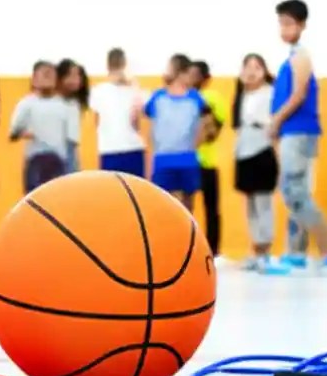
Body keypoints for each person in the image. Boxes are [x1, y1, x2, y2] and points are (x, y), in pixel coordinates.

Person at [269, 0, 327, 275]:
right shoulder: (292, 57)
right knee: (295, 194)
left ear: (302, 25)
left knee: (296, 194)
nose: (284, 29)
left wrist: (275, 121)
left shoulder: (301, 57)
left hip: (298, 133)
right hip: (293, 134)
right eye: (281, 23)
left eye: (289, 23)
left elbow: (298, 95)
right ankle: (295, 254)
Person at [232, 53, 285, 273]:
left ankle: (266, 251)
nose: (251, 71)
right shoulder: (241, 95)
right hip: (244, 151)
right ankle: (256, 250)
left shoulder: (270, 93)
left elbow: (273, 124)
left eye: (257, 67)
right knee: (251, 204)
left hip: (262, 150)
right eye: (247, 67)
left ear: (265, 71)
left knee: (263, 203)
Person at [143, 54, 206, 211]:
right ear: (180, 72)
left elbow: (204, 126)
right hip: (163, 159)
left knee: (188, 207)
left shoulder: (196, 98)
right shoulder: (158, 97)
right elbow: (147, 123)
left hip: (187, 159)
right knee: (163, 205)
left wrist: (195, 146)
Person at [188, 59, 229, 263]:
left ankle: (215, 251)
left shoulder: (212, 98)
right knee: (185, 208)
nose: (192, 78)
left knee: (211, 208)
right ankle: (188, 249)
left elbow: (214, 130)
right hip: (187, 162)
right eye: (190, 73)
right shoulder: (184, 99)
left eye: (196, 74)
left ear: (206, 78)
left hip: (207, 162)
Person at [11, 61, 73, 193]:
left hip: (59, 161)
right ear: (34, 79)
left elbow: (69, 141)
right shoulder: (26, 104)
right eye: (45, 74)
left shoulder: (63, 105)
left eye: (51, 74)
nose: (48, 77)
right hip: (36, 159)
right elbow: (13, 133)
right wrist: (23, 133)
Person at [89, 48, 146, 177]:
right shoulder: (134, 90)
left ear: (107, 65)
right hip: (131, 148)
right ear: (125, 64)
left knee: (111, 194)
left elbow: (96, 122)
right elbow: (136, 123)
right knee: (135, 193)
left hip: (110, 149)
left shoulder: (98, 91)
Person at [57, 59, 89, 173]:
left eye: (77, 76)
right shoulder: (55, 101)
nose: (75, 80)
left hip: (72, 150)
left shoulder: (75, 103)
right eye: (70, 76)